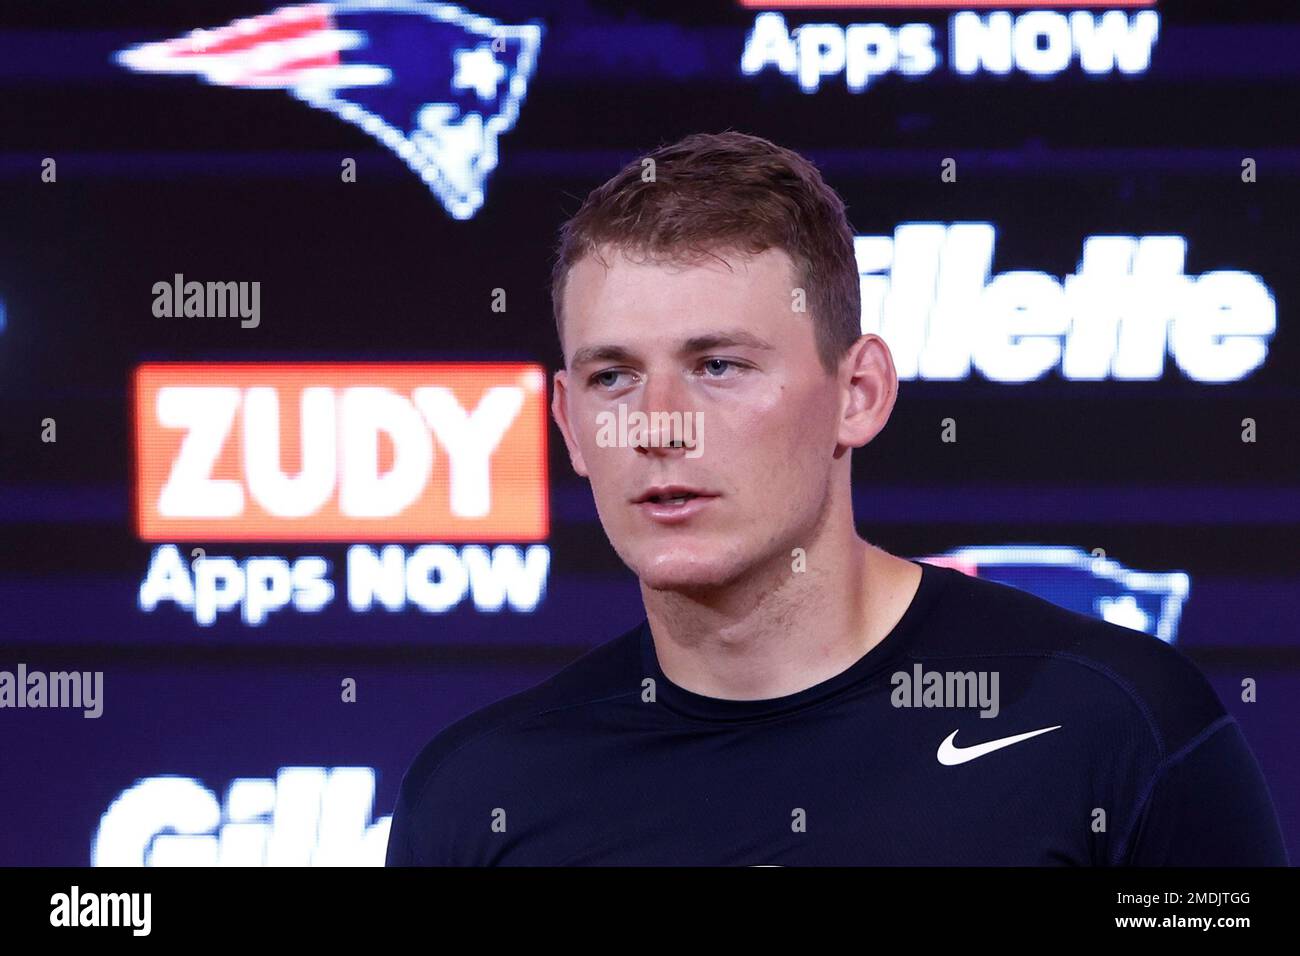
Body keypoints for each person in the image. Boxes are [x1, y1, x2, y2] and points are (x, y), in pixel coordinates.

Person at [386, 130, 1287, 865]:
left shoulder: (1114, 727)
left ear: (858, 395)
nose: (658, 426)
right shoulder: (480, 798)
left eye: (718, 366)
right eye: (614, 378)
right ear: (571, 426)